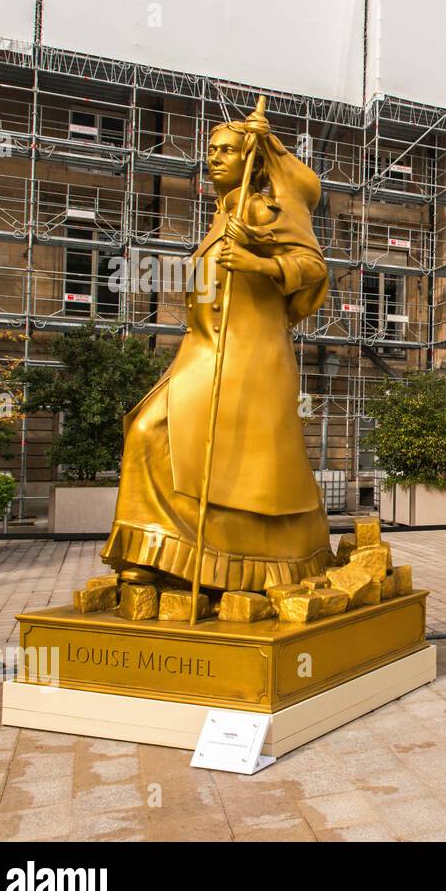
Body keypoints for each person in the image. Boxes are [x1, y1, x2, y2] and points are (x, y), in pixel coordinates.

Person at [99, 106, 332, 592]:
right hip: (203, 352)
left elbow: (312, 267)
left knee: (162, 434)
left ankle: (241, 561)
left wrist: (257, 262)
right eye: (209, 150)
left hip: (249, 358)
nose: (214, 158)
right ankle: (158, 551)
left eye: (226, 149)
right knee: (150, 431)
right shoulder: (221, 216)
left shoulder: (261, 208)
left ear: (249, 156)